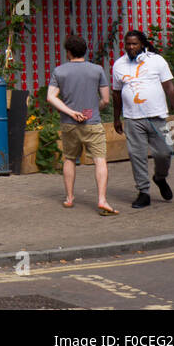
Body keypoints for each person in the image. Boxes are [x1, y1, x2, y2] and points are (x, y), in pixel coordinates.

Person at [112, 29, 174, 209]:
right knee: (136, 155)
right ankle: (143, 192)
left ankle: (160, 178)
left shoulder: (157, 60)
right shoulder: (118, 65)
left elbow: (169, 87)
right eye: (128, 44)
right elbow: (116, 94)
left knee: (165, 152)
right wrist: (116, 118)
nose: (131, 47)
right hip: (132, 119)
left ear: (142, 44)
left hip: (158, 117)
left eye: (134, 44)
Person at [46, 35, 117, 215]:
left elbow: (51, 97)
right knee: (99, 160)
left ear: (68, 52)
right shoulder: (97, 70)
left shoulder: (59, 71)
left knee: (69, 159)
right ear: (85, 50)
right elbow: (106, 100)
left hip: (69, 124)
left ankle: (69, 198)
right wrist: (94, 109)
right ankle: (102, 199)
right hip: (92, 122)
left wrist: (70, 112)